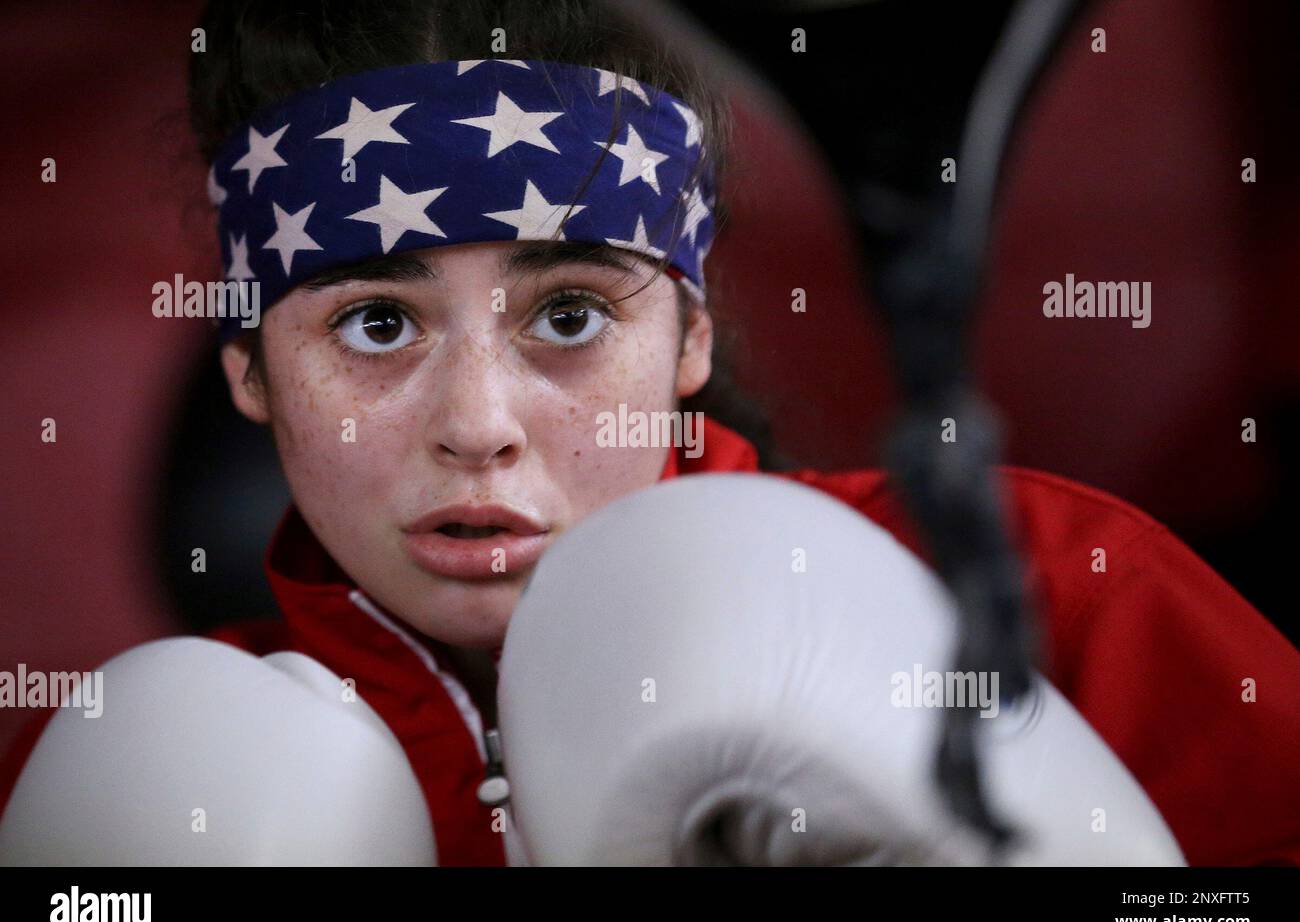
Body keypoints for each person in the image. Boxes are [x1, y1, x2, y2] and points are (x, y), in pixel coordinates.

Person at [3, 0, 1298, 866]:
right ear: (252, 374)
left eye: (567, 312)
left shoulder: (1042, 589)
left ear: (687, 339)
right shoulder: (124, 784)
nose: (479, 427)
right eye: (377, 327)